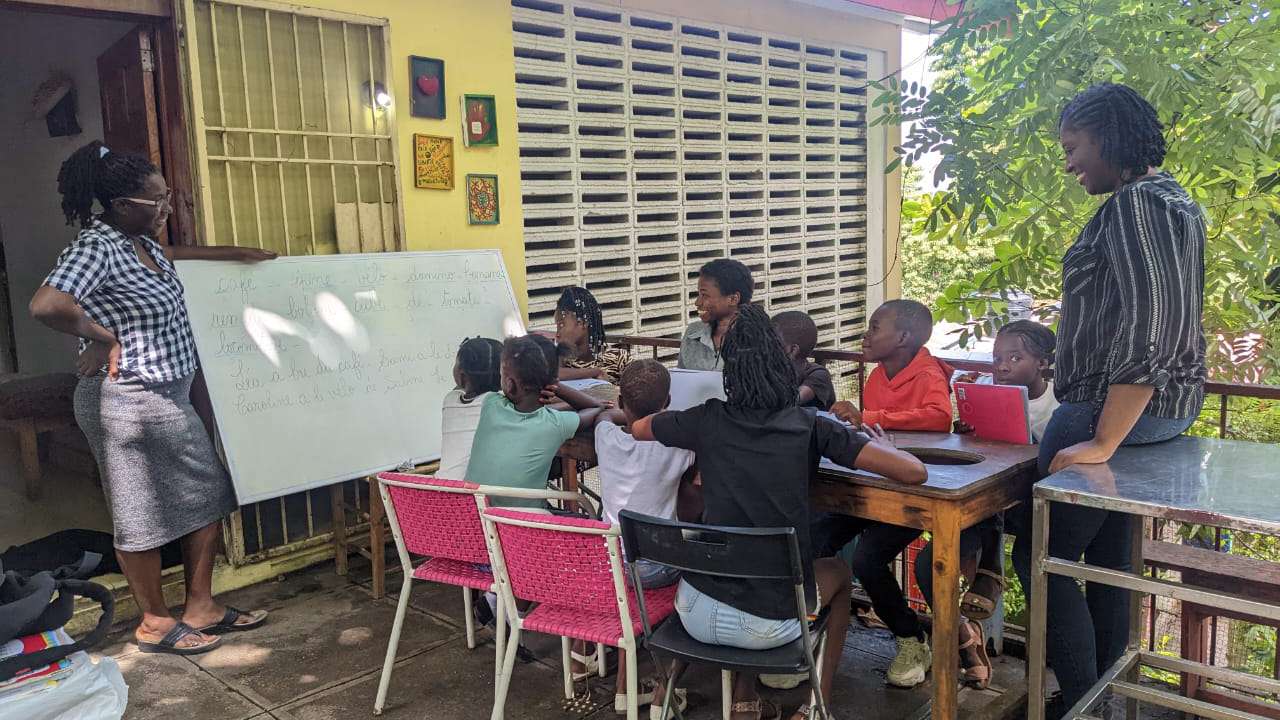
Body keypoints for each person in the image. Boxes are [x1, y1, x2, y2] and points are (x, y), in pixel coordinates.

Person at [29, 140, 275, 655]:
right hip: (125, 400)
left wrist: (239, 255)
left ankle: (201, 607)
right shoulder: (97, 246)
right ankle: (155, 624)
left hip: (168, 396)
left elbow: (176, 256)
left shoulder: (142, 244)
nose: (166, 208)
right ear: (121, 205)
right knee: (139, 512)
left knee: (207, 495)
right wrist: (103, 337)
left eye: (167, 197)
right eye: (156, 202)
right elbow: (47, 304)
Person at [1009, 82, 1206, 717]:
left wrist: (1101, 439)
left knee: (1040, 558)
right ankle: (1103, 698)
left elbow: (1150, 326)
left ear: (1107, 137)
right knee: (1108, 561)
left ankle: (1081, 706)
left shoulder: (1136, 206)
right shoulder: (1173, 201)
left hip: (1109, 411)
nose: (1068, 164)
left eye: (1074, 148)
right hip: (1144, 416)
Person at [632, 304, 928, 720]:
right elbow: (914, 473)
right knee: (839, 576)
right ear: (783, 365)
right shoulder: (812, 426)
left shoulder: (708, 419)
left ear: (730, 370)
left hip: (693, 611)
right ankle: (815, 708)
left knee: (733, 554)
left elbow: (639, 428)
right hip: (769, 626)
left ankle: (739, 694)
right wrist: (892, 449)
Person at [816, 299, 955, 689]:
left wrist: (870, 418)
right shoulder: (878, 375)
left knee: (868, 558)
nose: (866, 333)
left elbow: (938, 416)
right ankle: (810, 632)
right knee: (815, 537)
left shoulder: (928, 373)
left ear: (904, 338)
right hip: (874, 484)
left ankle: (910, 638)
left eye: (875, 327)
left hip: (915, 489)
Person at [917, 320, 1060, 688]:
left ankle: (1047, 669)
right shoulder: (984, 389)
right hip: (984, 502)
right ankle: (967, 639)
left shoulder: (1057, 403)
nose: (1003, 366)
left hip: (1029, 507)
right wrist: (967, 432)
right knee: (927, 566)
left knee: (1038, 578)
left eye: (1015, 357)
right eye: (997, 358)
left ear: (1043, 363)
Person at [592, 359, 696, 714]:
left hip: (609, 564)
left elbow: (603, 418)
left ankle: (625, 685)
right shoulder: (676, 447)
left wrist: (618, 413)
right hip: (655, 569)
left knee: (630, 596)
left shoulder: (605, 437)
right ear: (667, 403)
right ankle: (665, 682)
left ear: (621, 401)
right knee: (697, 565)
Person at [464, 334, 605, 507]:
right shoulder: (554, 424)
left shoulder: (491, 405)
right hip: (524, 527)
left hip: (476, 520)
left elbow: (529, 413)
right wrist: (556, 386)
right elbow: (596, 407)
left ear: (509, 384)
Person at [437, 337, 503, 480]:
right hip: (473, 497)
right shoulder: (500, 404)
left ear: (461, 375)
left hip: (442, 493)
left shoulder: (449, 401)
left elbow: (459, 387)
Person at [677, 259, 754, 371]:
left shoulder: (756, 340)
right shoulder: (692, 333)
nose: (697, 302)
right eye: (698, 294)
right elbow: (681, 376)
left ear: (733, 299)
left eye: (705, 295)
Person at [555, 286, 632, 382]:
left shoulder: (619, 358)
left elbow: (636, 392)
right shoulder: (564, 360)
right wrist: (594, 372)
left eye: (562, 325)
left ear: (582, 323)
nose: (557, 333)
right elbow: (554, 375)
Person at [771, 310, 836, 411]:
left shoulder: (818, 374)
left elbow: (792, 400)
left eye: (773, 342)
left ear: (792, 350)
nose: (767, 346)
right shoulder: (775, 371)